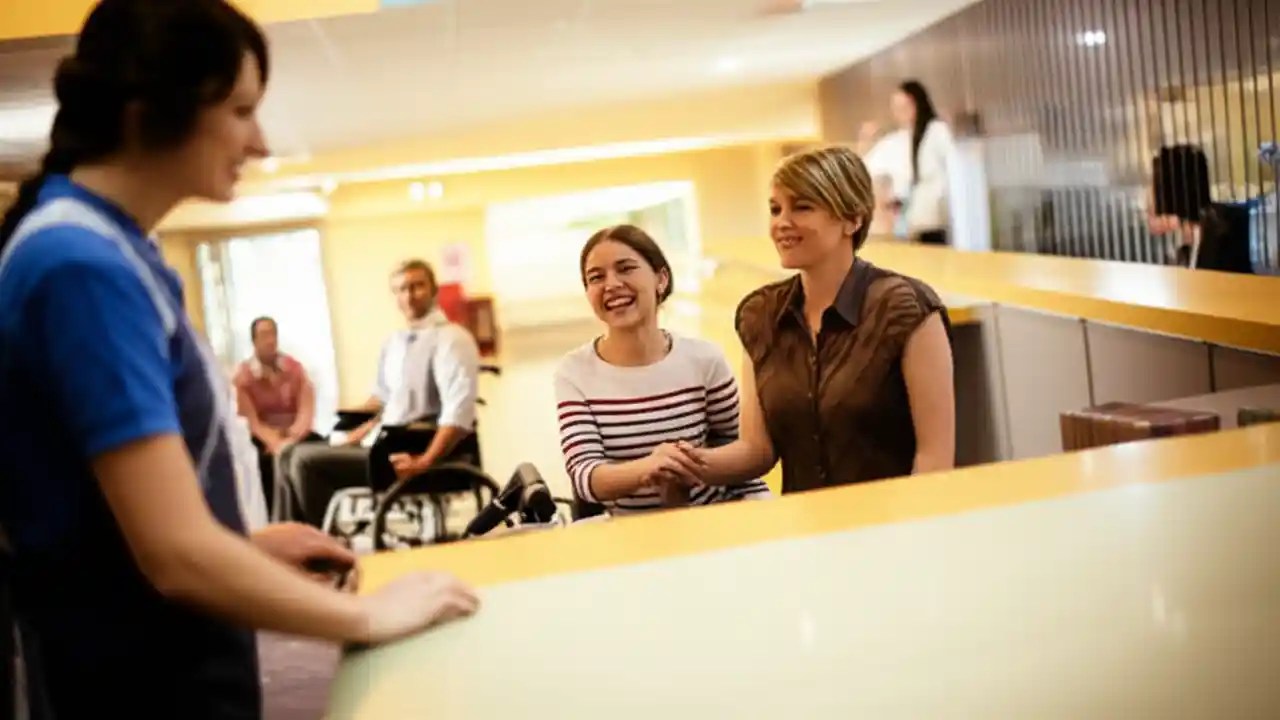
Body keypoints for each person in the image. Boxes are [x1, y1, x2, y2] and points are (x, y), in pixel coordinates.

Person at [0, 2, 477, 716]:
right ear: (148, 110)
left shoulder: (110, 249)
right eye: (240, 109)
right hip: (139, 686)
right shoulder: (79, 265)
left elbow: (107, 524)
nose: (257, 141)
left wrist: (244, 545)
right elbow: (175, 554)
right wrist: (370, 617)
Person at [688, 145, 956, 495]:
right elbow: (757, 450)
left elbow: (934, 461)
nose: (782, 223)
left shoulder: (906, 310)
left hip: (891, 531)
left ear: (852, 218)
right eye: (775, 209)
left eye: (802, 207)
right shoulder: (761, 315)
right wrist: (682, 464)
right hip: (804, 536)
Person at [554, 225, 772, 515]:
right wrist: (651, 467)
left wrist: (687, 468)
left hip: (712, 520)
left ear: (661, 278)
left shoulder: (704, 359)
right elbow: (586, 476)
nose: (611, 284)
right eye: (596, 277)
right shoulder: (574, 372)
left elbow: (741, 454)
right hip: (631, 535)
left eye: (625, 268)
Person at [276, 259, 481, 527]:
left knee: (306, 462)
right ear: (395, 296)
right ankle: (292, 547)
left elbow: (458, 412)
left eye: (417, 286)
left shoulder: (452, 339)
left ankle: (321, 552)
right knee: (288, 453)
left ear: (433, 290)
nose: (409, 295)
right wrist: (345, 432)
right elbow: (381, 399)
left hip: (411, 449)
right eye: (401, 289)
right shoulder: (395, 343)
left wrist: (425, 461)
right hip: (382, 441)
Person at [233, 316, 322, 514]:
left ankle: (313, 514)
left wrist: (292, 436)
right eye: (264, 335)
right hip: (263, 438)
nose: (270, 340)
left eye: (273, 333)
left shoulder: (295, 368)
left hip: (294, 433)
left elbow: (306, 409)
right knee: (264, 463)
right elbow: (251, 421)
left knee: (317, 454)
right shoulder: (243, 376)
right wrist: (274, 442)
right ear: (254, 341)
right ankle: (276, 517)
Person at [859, 80, 955, 245]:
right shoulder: (894, 141)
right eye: (896, 108)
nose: (900, 112)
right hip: (906, 225)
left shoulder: (936, 131)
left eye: (905, 106)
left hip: (933, 222)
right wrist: (865, 141)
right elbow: (863, 167)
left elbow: (952, 171)